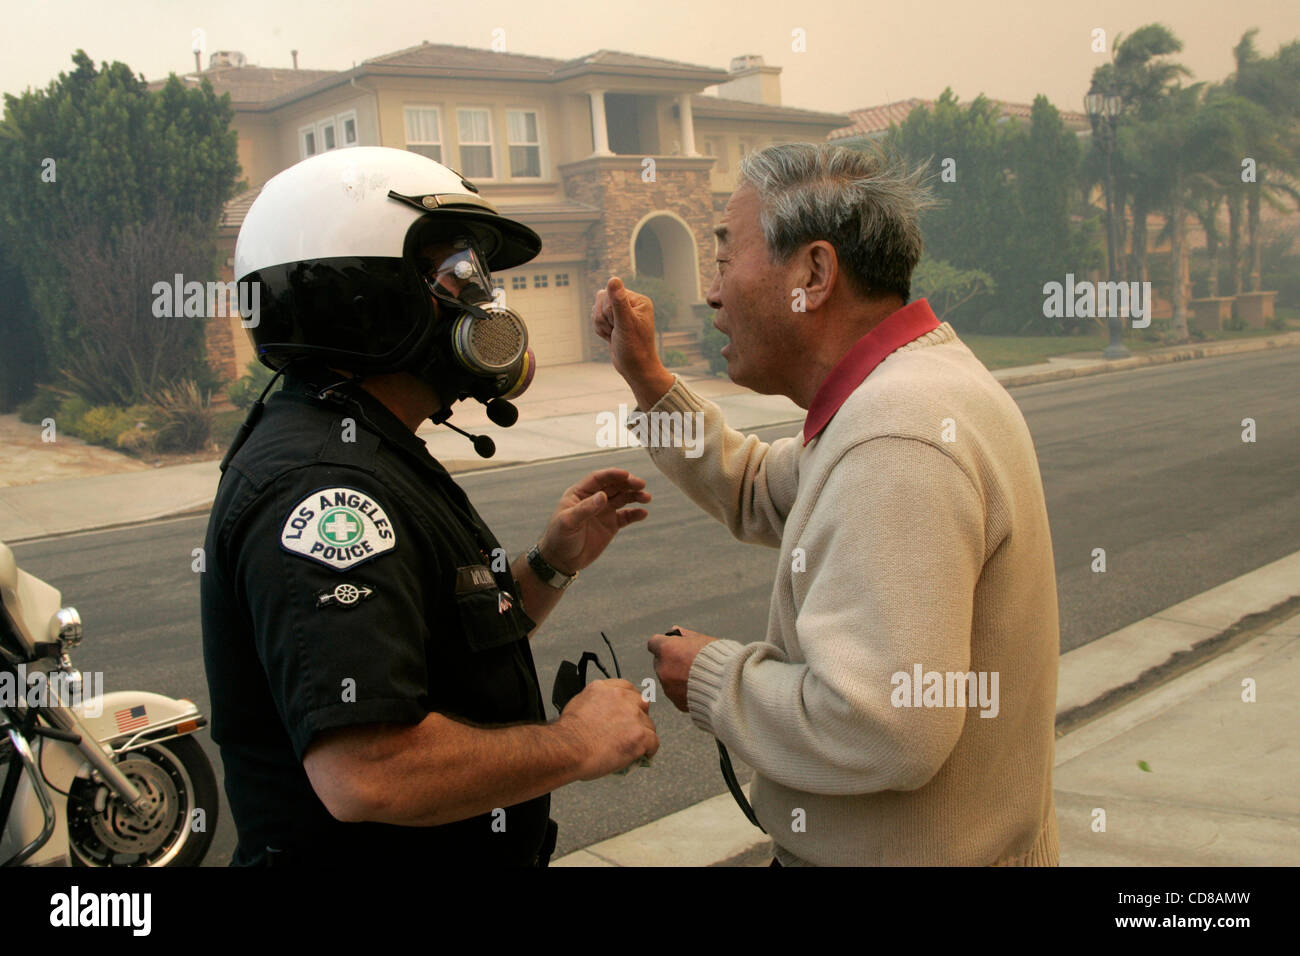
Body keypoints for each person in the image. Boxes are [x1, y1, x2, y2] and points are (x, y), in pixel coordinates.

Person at [592, 142, 1060, 866]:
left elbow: (885, 726)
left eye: (724, 259)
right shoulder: (902, 394)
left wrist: (714, 676)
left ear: (812, 273)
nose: (710, 293)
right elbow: (754, 486)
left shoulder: (896, 434)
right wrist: (648, 376)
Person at [201, 146, 658, 868]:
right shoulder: (323, 486)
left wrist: (550, 564)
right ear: (363, 297)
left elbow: (440, 647)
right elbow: (369, 771)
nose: (483, 302)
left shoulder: (364, 446)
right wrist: (577, 742)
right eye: (456, 276)